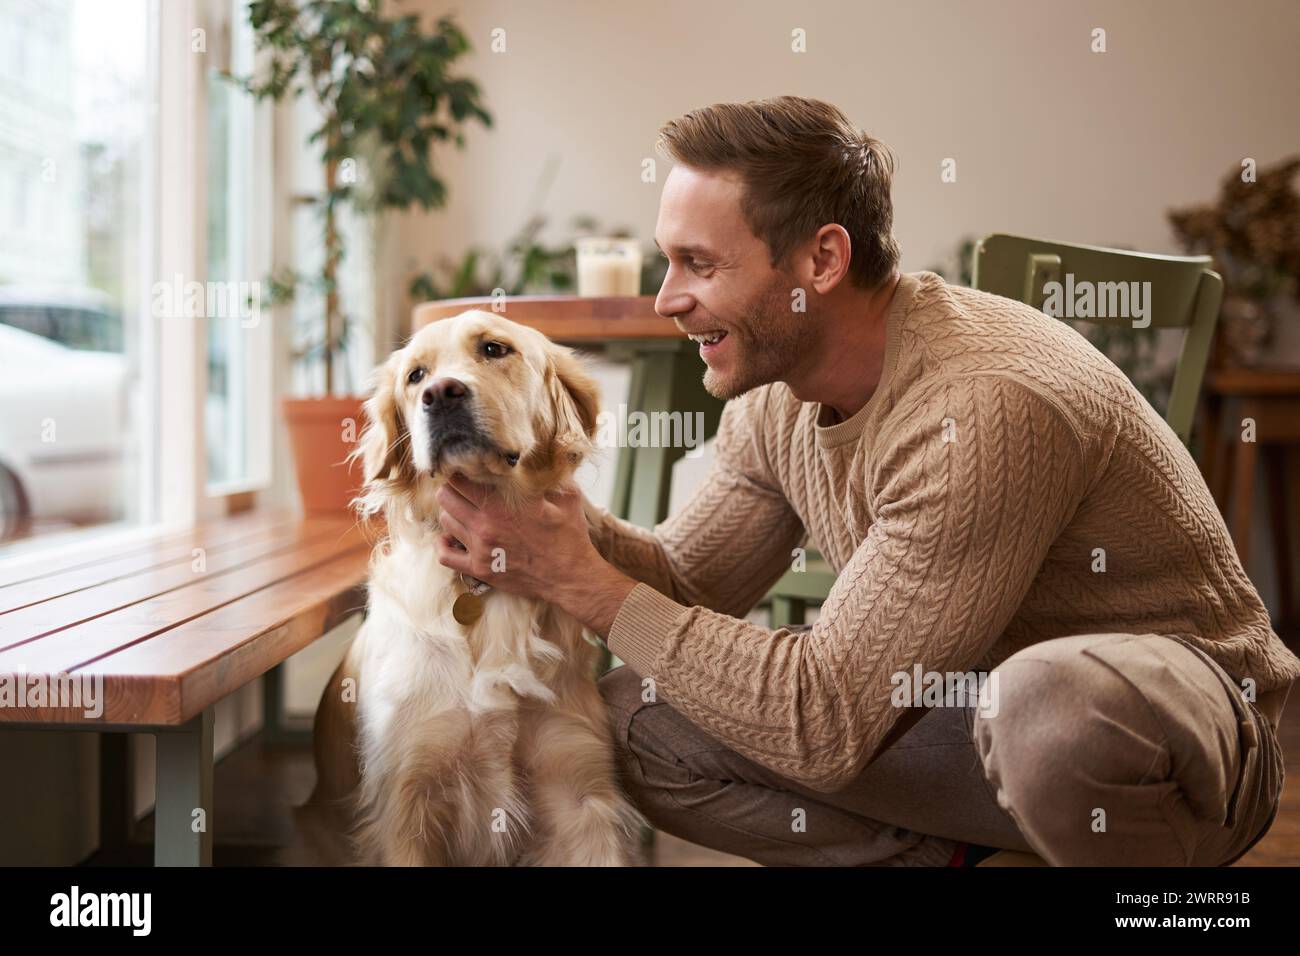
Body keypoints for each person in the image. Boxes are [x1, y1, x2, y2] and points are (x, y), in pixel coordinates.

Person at [434, 95, 1299, 866]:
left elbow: (824, 720)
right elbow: (689, 585)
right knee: (632, 721)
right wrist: (554, 522)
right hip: (971, 715)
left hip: (1180, 749)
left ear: (821, 261)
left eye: (699, 264)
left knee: (1043, 708)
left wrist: (577, 580)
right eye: (669, 262)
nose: (667, 298)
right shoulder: (779, 396)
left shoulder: (983, 408)